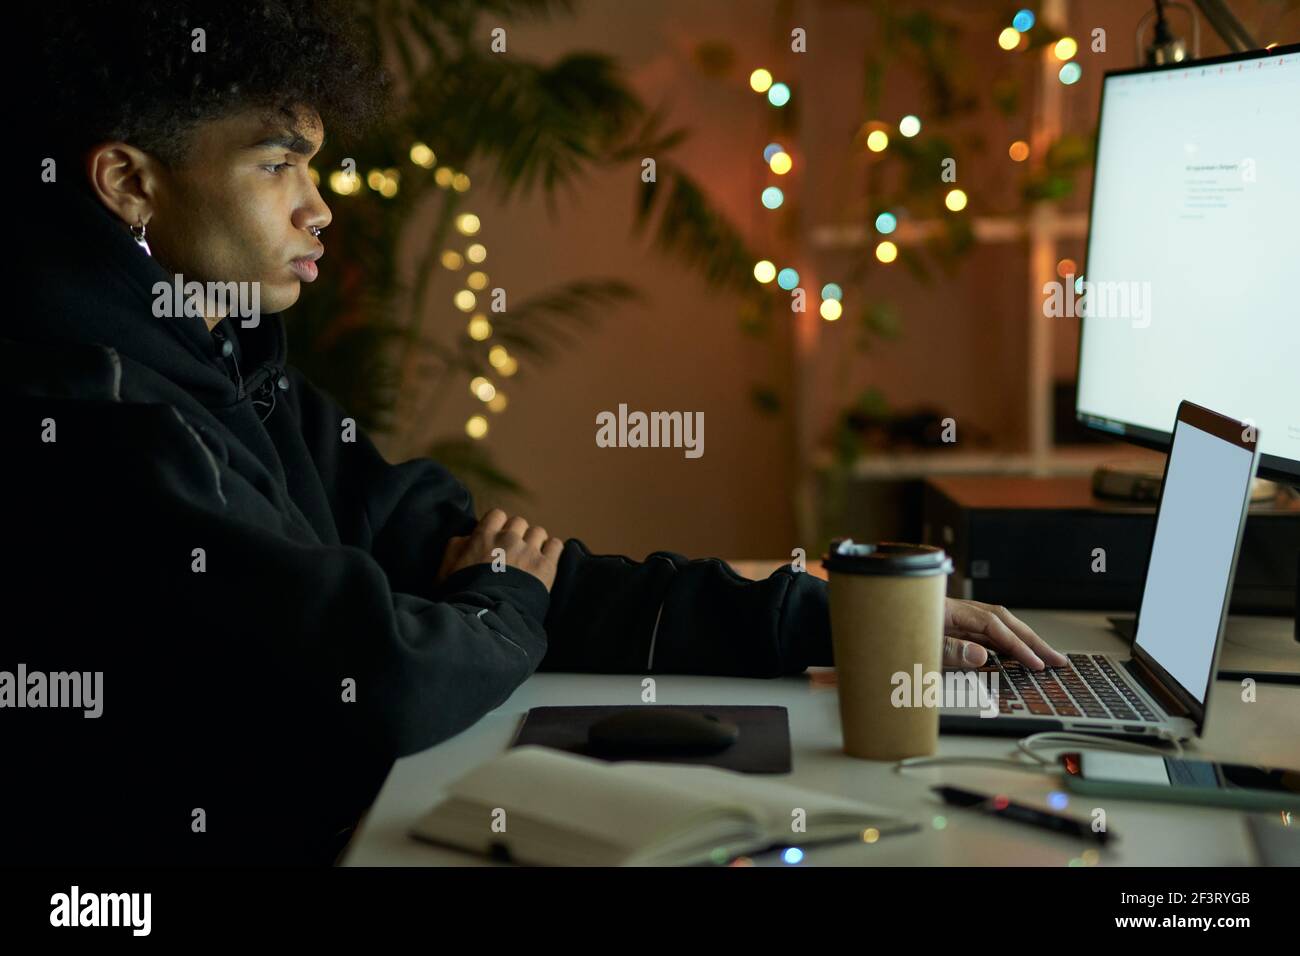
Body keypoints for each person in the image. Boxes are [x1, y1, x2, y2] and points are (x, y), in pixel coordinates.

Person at [4, 0, 1068, 865]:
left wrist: (812, 619)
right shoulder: (99, 415)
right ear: (130, 184)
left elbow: (514, 573)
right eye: (279, 165)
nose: (321, 207)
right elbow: (382, 674)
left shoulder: (229, 359)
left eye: (314, 167)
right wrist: (501, 595)